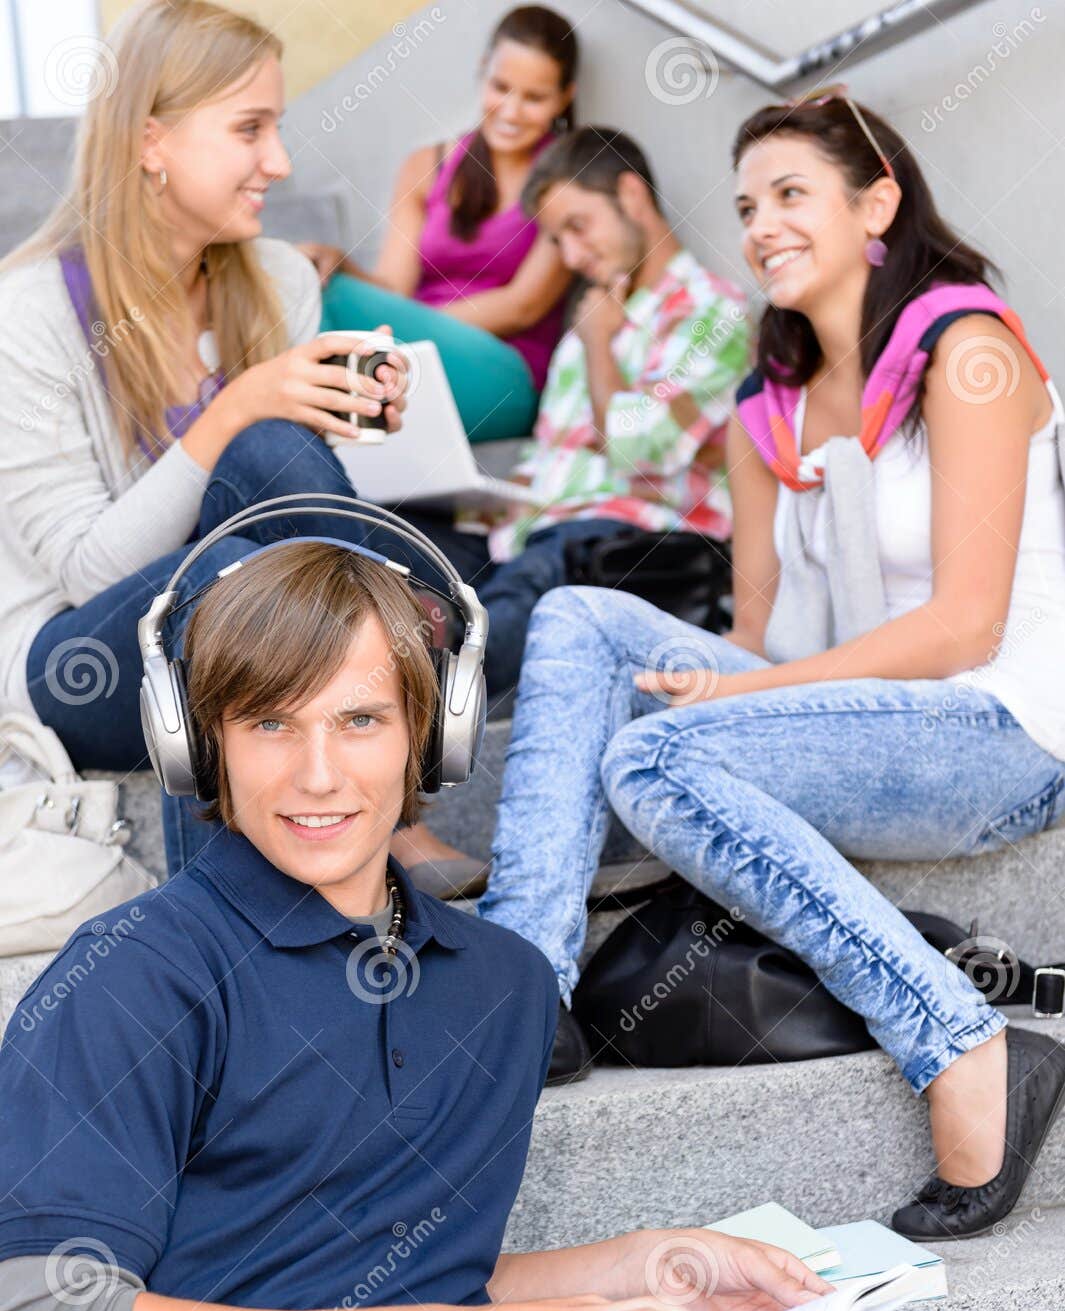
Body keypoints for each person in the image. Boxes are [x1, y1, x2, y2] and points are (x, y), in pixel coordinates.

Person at [2, 537, 1064, 1311]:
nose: (317, 772)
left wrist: (632, 1268)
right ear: (201, 746)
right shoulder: (132, 981)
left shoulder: (500, 990)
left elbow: (371, 1274)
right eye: (272, 723)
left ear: (435, 730)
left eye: (360, 719)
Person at [476, 90, 1065, 1240]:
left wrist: (737, 700)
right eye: (747, 205)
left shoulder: (969, 350)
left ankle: (964, 1044)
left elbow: (964, 628)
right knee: (583, 616)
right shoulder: (768, 405)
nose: (761, 225)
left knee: (654, 760)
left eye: (792, 194)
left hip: (998, 732)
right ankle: (519, 982)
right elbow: (761, 636)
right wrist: (745, 686)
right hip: (852, 719)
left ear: (876, 202)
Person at [0, 0, 407, 880]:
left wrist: (351, 415)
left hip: (239, 608)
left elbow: (292, 509)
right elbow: (83, 571)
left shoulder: (278, 277)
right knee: (222, 560)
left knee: (257, 485)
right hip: (74, 660)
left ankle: (385, 731)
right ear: (151, 141)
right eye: (249, 129)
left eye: (278, 128)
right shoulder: (27, 315)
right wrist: (235, 408)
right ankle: (397, 733)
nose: (280, 162)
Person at [396, 126, 749, 700]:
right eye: (557, 239)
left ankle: (428, 689)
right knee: (402, 536)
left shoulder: (713, 312)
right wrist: (478, 496)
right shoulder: (593, 318)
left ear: (632, 197)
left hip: (638, 542)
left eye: (577, 227)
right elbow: (550, 458)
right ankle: (388, 659)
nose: (572, 256)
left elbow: (638, 449)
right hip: (538, 533)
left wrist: (598, 346)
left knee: (546, 569)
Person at [303, 6, 577, 442]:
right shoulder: (426, 166)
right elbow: (392, 287)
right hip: (410, 350)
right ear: (482, 72)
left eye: (534, 98)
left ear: (564, 98)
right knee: (311, 281)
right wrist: (339, 262)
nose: (511, 110)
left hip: (503, 373)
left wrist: (415, 333)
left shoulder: (567, 181)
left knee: (326, 303)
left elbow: (523, 305)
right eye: (500, 87)